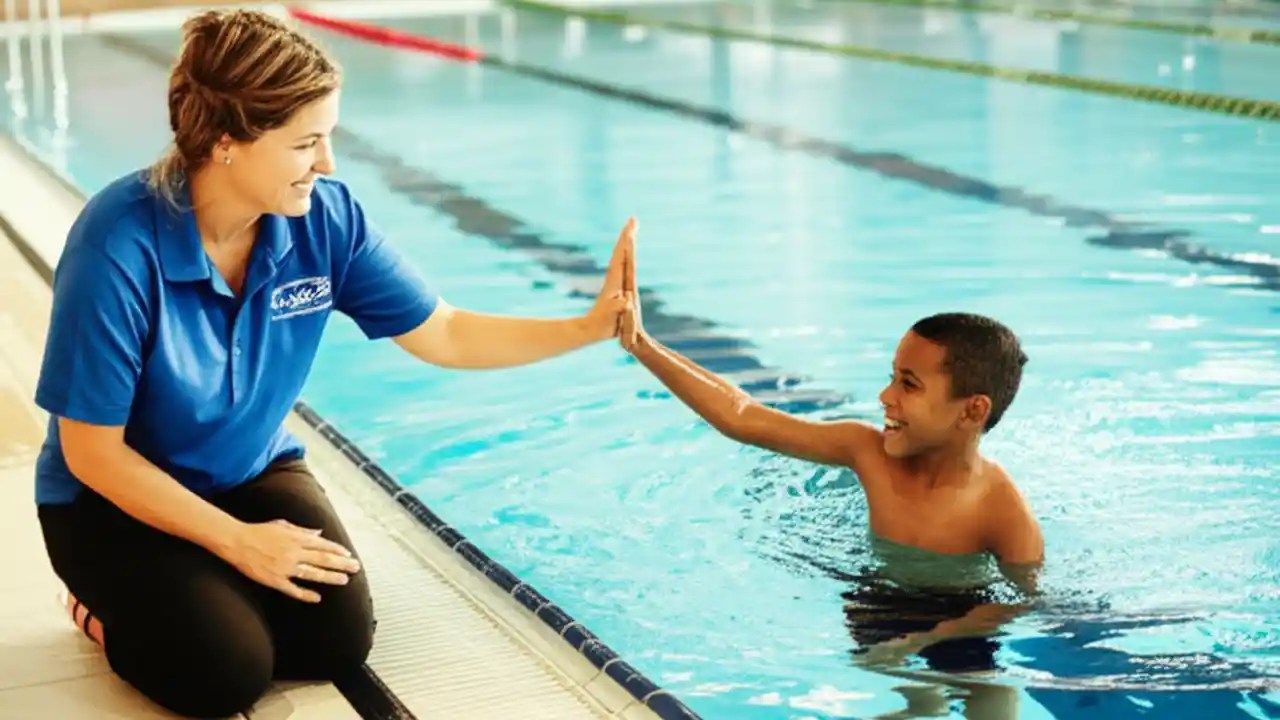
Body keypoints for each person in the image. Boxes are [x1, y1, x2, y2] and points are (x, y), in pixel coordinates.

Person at [33, 9, 636, 718]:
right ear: (227, 142)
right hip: (112, 504)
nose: (327, 164)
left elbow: (445, 333)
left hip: (249, 471)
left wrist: (589, 328)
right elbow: (93, 454)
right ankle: (99, 611)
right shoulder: (118, 242)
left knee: (333, 644)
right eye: (306, 143)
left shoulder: (326, 218)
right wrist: (238, 544)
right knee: (222, 673)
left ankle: (198, 586)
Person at [615, 256, 1044, 675]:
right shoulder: (865, 450)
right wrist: (641, 344)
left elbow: (1021, 599)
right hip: (881, 594)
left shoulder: (999, 508)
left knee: (985, 695)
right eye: (893, 376)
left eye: (908, 384)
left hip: (962, 613)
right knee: (908, 684)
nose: (885, 396)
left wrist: (925, 639)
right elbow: (741, 416)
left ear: (971, 411)